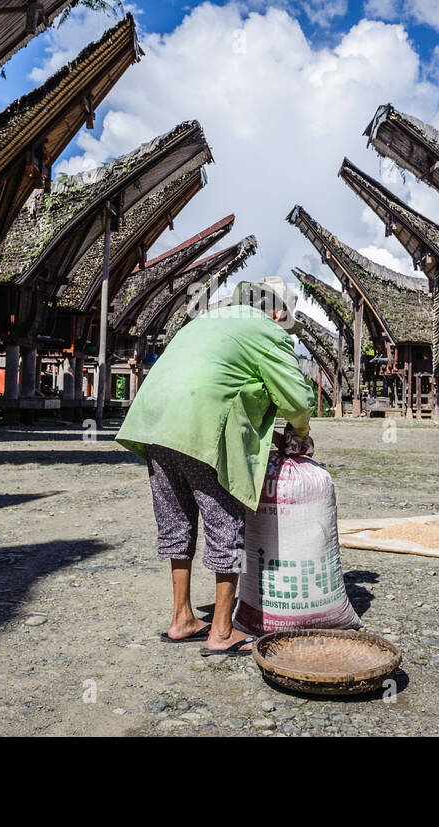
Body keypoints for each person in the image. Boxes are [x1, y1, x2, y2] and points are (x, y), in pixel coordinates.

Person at [115, 276, 315, 656]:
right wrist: (299, 432)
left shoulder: (207, 321)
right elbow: (297, 398)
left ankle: (181, 619)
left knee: (176, 520)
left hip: (155, 423)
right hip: (199, 427)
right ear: (276, 312)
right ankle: (222, 631)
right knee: (227, 523)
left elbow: (225, 381)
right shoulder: (267, 331)